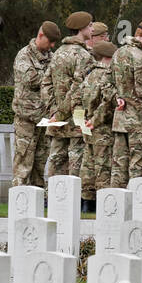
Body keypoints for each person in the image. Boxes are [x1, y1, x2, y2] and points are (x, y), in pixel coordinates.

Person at [11, 21, 60, 188]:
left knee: (41, 159)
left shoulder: (52, 57)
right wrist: (52, 77)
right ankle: (20, 192)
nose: (52, 46)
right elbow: (31, 79)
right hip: (26, 118)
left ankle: (38, 192)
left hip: (44, 118)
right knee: (24, 158)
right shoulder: (24, 55)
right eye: (50, 41)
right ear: (40, 36)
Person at [110, 19, 142, 188]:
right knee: (138, 165)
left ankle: (117, 201)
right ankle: (138, 203)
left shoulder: (118, 53)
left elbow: (107, 83)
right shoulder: (141, 57)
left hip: (120, 118)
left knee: (118, 165)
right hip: (138, 119)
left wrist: (117, 97)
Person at [46, 11, 94, 178]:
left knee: (56, 158)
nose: (92, 28)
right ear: (81, 28)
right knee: (77, 159)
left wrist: (53, 110)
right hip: (77, 115)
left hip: (57, 116)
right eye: (90, 25)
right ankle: (74, 197)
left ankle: (51, 195)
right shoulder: (84, 55)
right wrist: (59, 114)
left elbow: (46, 82)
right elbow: (78, 89)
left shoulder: (58, 52)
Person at [79, 40, 117, 211]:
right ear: (107, 58)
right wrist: (95, 121)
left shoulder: (88, 75)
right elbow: (107, 102)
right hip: (102, 128)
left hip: (86, 126)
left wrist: (84, 121)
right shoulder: (105, 76)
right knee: (102, 166)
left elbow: (78, 99)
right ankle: (103, 205)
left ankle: (87, 202)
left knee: (88, 165)